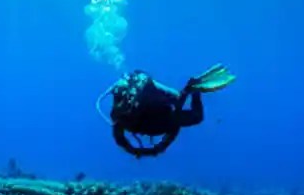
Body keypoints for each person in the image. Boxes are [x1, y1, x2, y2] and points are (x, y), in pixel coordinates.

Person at [98, 64, 236, 158]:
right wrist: (153, 150)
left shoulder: (118, 115)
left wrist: (147, 151)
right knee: (179, 103)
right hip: (161, 109)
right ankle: (191, 89)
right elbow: (122, 141)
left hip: (160, 115)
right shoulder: (122, 115)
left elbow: (122, 141)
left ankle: (191, 89)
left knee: (186, 111)